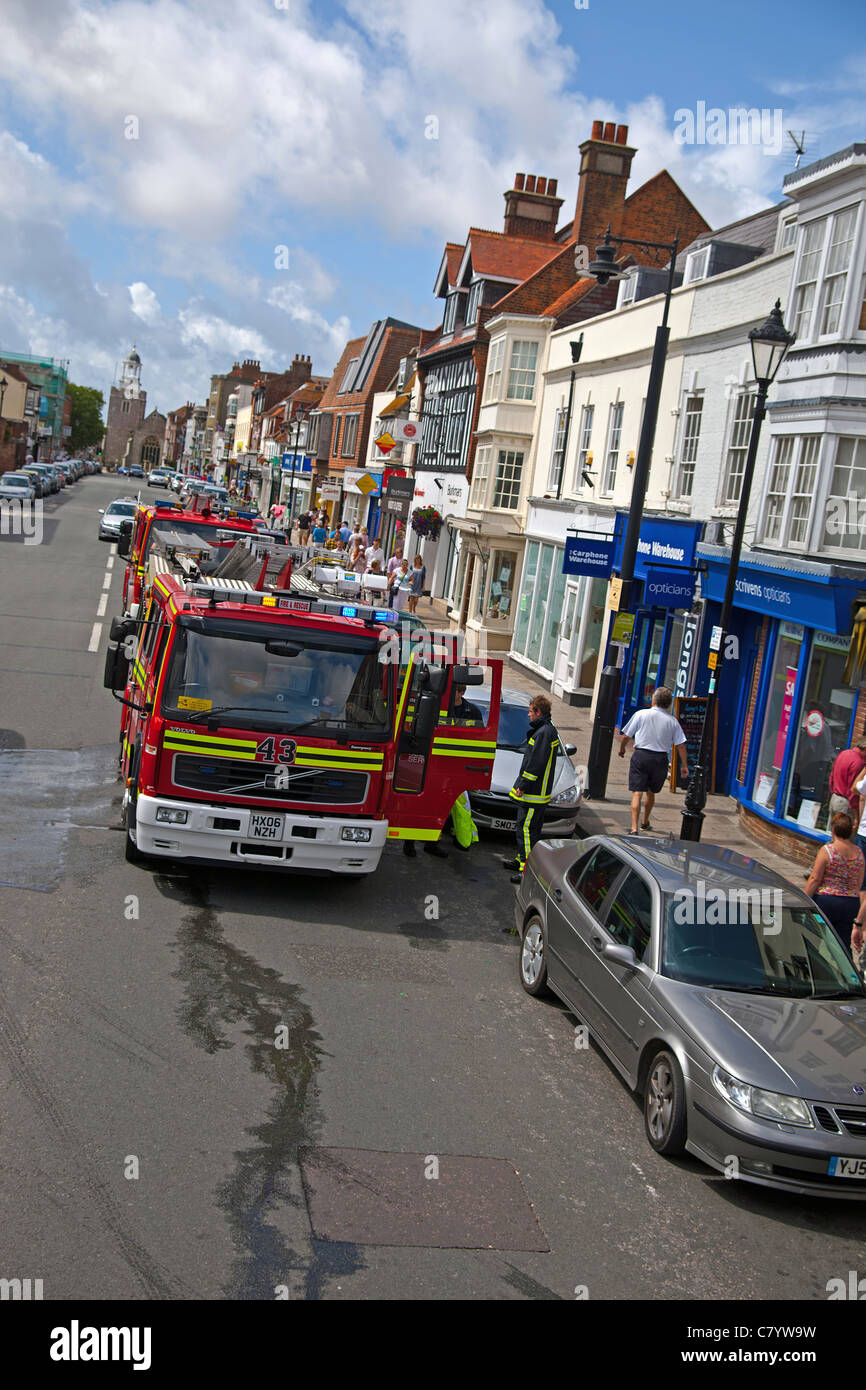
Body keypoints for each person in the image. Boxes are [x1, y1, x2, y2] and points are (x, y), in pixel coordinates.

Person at [503, 694, 561, 882]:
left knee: (526, 830)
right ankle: (521, 859)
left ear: (538, 712)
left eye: (530, 712)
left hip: (533, 794)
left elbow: (535, 763)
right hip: (536, 793)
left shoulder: (543, 733)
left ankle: (527, 870)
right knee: (528, 831)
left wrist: (522, 785)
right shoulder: (546, 730)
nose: (528, 715)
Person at [618, 687, 688, 836]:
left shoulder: (641, 714)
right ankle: (645, 821)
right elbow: (681, 745)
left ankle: (634, 828)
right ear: (669, 704)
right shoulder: (672, 721)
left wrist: (622, 749)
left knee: (637, 793)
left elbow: (626, 736)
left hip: (641, 756)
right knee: (651, 792)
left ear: (653, 700)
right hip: (660, 759)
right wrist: (684, 766)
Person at [805, 812, 865, 957]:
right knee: (843, 945)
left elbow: (815, 878)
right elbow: (859, 884)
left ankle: (811, 969)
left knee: (813, 938)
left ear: (833, 830)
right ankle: (849, 975)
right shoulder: (859, 853)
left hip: (826, 901)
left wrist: (804, 898)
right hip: (850, 904)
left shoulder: (827, 851)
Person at [828, 739, 866, 821]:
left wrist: (834, 793)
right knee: (844, 832)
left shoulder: (843, 753)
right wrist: (856, 815)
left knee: (833, 831)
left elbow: (831, 777)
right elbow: (853, 791)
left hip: (834, 798)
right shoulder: (859, 763)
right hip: (845, 804)